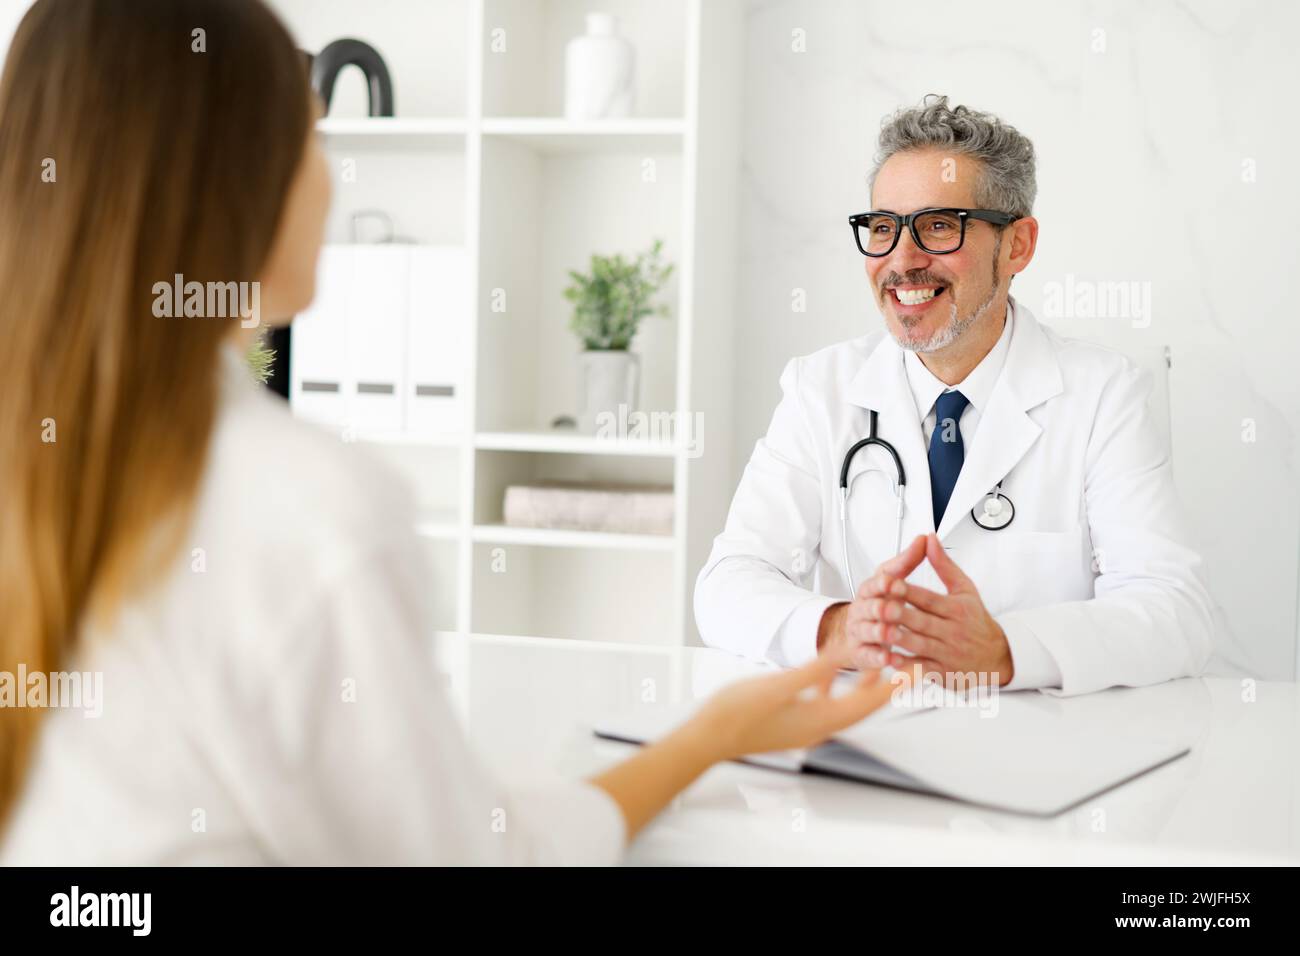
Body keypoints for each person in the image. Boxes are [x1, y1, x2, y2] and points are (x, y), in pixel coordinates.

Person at [0, 0, 897, 865]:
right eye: (310, 138)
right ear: (226, 178)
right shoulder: (308, 509)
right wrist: (715, 733)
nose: (331, 176)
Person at [695, 95, 1217, 698]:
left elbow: (1176, 611)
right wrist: (839, 629)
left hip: (1037, 761)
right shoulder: (821, 390)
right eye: (884, 228)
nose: (902, 261)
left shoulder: (1103, 395)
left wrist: (1005, 649)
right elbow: (727, 583)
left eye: (939, 226)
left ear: (1017, 245)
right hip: (870, 748)